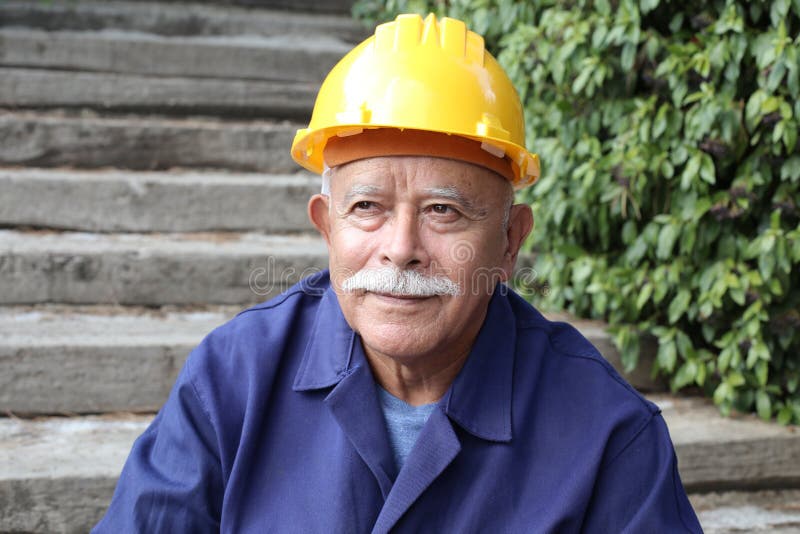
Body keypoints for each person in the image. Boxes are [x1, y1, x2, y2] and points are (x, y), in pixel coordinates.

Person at [94, 13, 702, 533]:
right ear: (327, 227)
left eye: (444, 210)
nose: (401, 249)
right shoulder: (232, 382)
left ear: (510, 241)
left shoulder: (608, 436)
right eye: (366, 208)